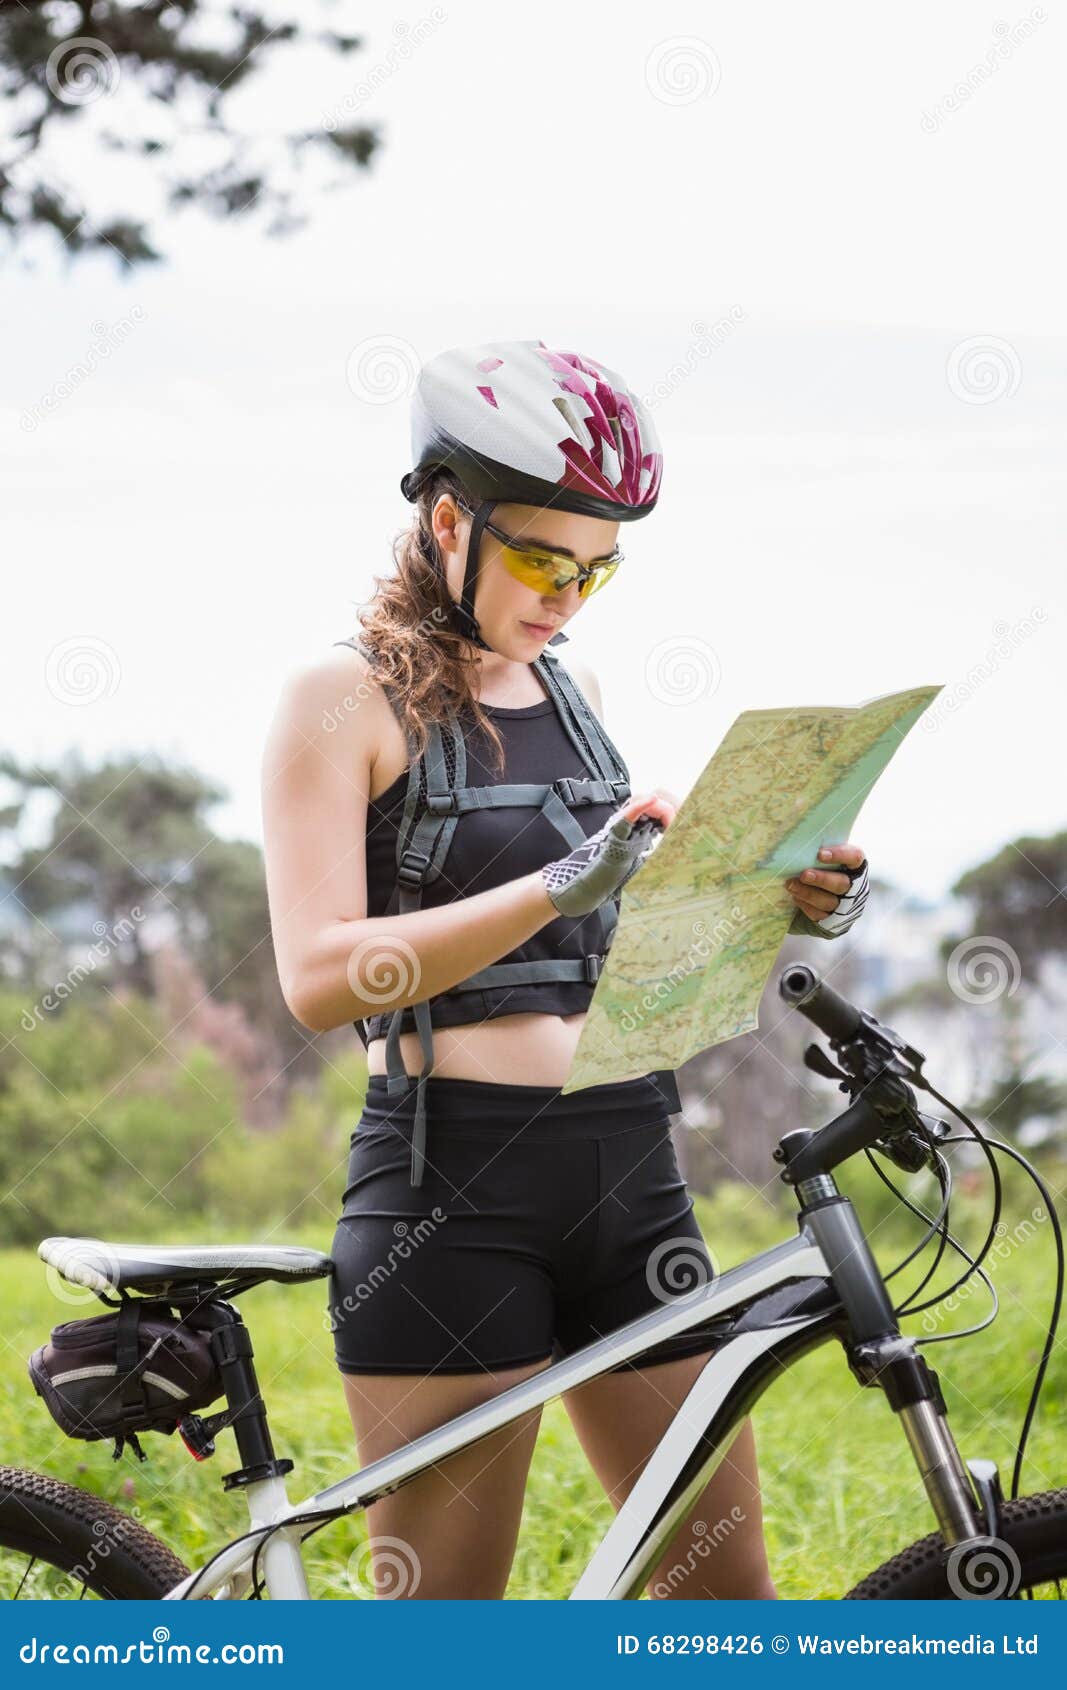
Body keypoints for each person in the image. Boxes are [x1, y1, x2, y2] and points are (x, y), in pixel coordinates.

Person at [261, 338, 870, 1600]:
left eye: (599, 569)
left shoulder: (572, 686)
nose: (570, 597)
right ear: (446, 522)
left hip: (630, 1170)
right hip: (449, 1191)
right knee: (448, 1643)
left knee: (724, 1616)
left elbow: (606, 942)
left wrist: (782, 894)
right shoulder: (339, 700)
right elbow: (319, 978)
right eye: (543, 560)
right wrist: (555, 884)